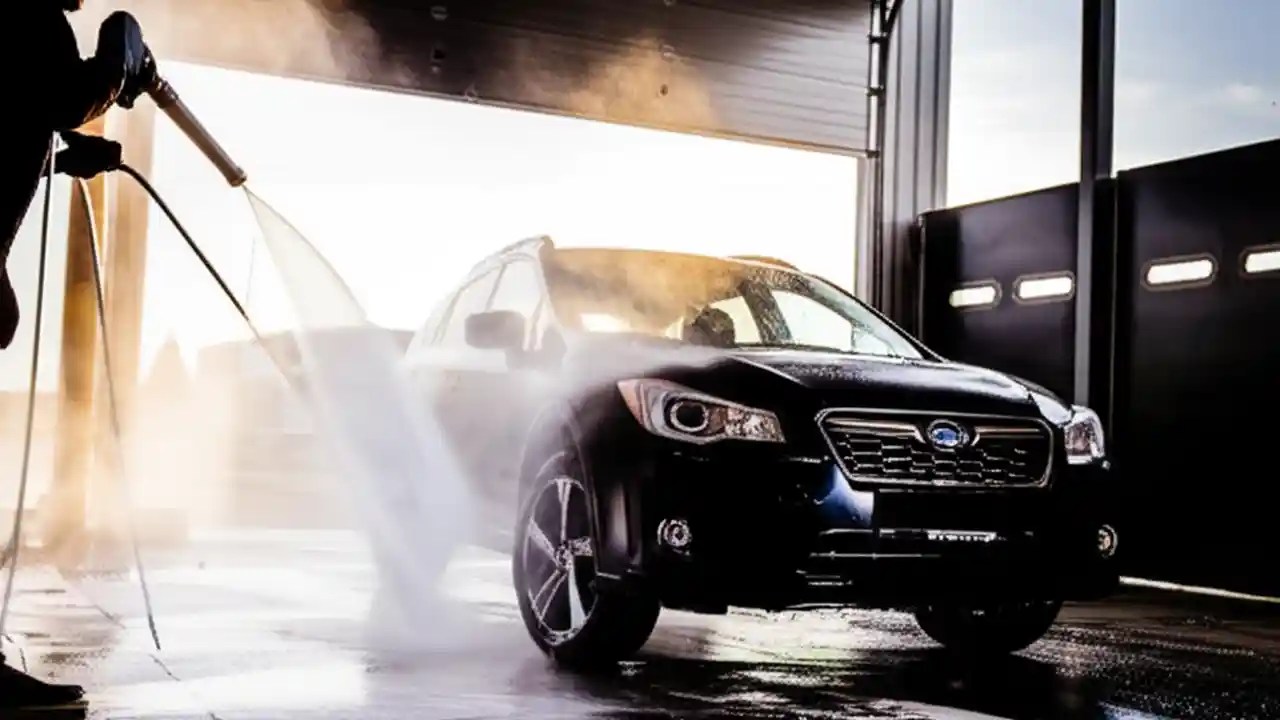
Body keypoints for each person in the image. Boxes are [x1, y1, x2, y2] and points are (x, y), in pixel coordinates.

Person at [0, 0, 156, 709]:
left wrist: (58, 155)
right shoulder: (24, 11)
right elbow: (59, 89)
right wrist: (119, 60)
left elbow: (25, 102)